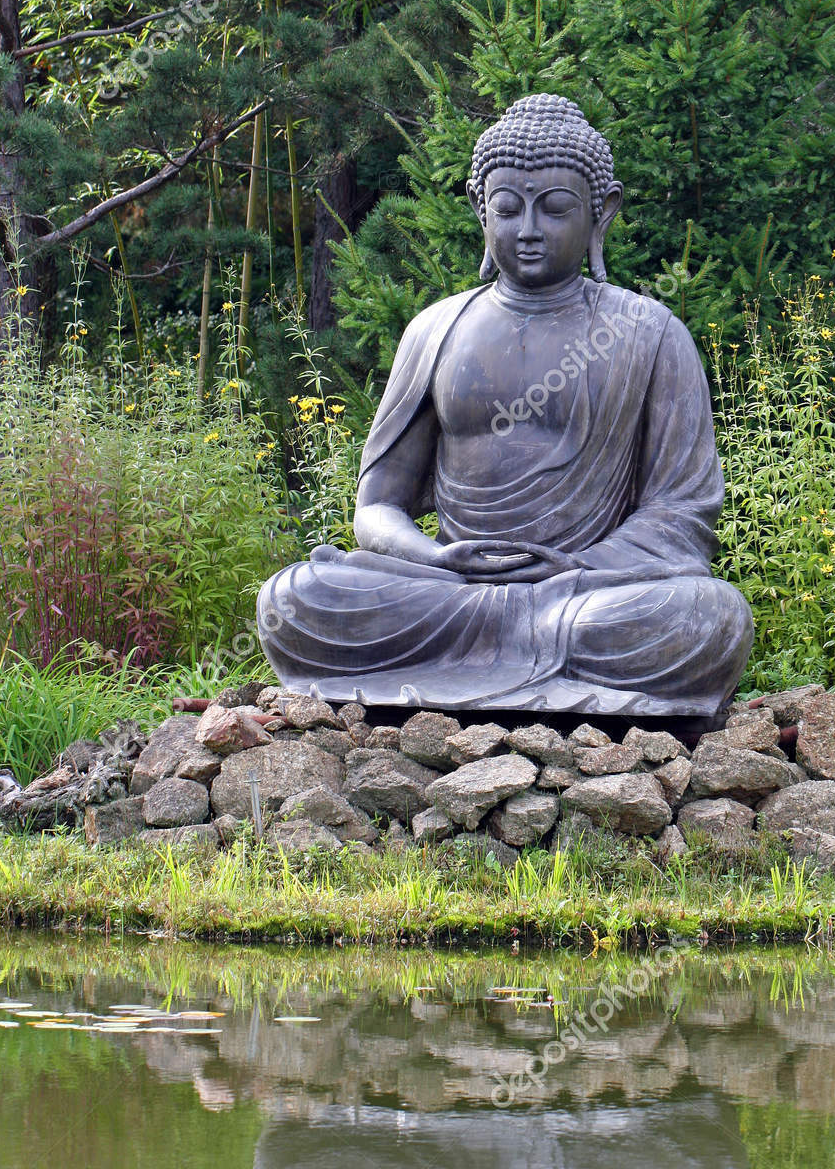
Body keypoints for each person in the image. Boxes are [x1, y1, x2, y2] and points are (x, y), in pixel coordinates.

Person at [257, 94, 753, 716]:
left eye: (556, 209)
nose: (529, 231)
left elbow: (681, 515)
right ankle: (530, 663)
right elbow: (378, 506)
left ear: (602, 212)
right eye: (508, 209)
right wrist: (434, 557)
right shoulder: (435, 331)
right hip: (451, 590)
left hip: (582, 593)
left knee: (709, 616)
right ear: (479, 208)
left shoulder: (650, 333)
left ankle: (480, 662)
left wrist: (574, 566)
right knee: (295, 598)